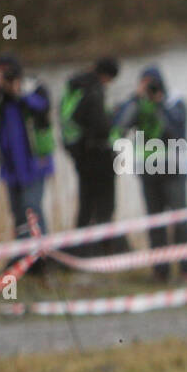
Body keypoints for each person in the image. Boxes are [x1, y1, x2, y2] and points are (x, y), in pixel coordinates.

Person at [111, 65, 187, 282]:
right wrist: (135, 99)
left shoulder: (175, 102)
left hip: (174, 170)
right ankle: (160, 271)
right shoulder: (137, 104)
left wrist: (159, 104)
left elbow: (175, 131)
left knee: (180, 222)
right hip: (149, 171)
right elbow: (120, 126)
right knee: (155, 223)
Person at [0, 54, 55, 252]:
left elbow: (43, 107)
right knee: (17, 213)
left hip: (34, 162)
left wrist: (19, 93)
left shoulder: (33, 87)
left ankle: (42, 255)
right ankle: (23, 256)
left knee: (32, 208)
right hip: (10, 166)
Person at [61, 56, 120, 254]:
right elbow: (101, 127)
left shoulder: (74, 87)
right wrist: (113, 120)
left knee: (85, 205)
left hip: (80, 156)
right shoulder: (94, 91)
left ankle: (80, 250)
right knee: (106, 205)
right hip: (99, 156)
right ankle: (103, 251)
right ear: (106, 76)